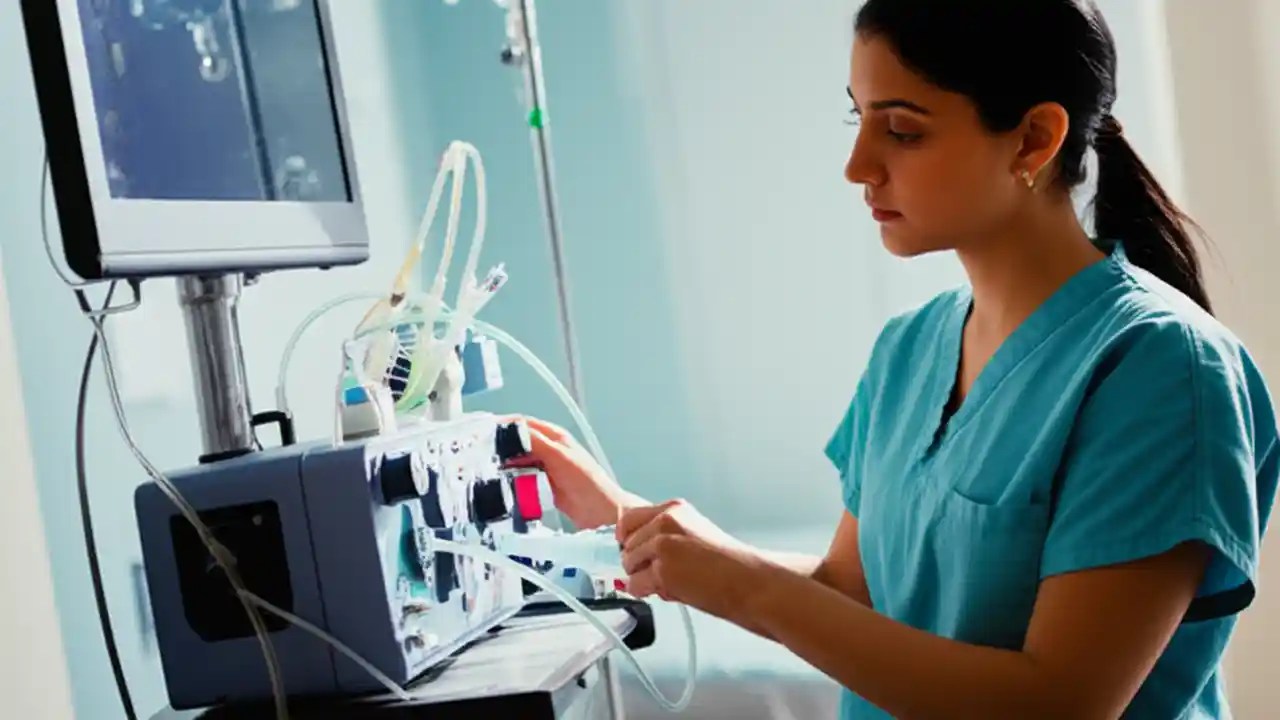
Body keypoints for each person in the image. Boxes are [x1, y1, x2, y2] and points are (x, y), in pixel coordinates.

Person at [519, 1, 1279, 717]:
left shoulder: (1160, 368)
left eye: (903, 131)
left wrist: (748, 591)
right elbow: (853, 593)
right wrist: (628, 520)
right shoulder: (911, 350)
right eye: (859, 118)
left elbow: (1059, 704)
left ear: (1032, 140)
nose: (857, 164)